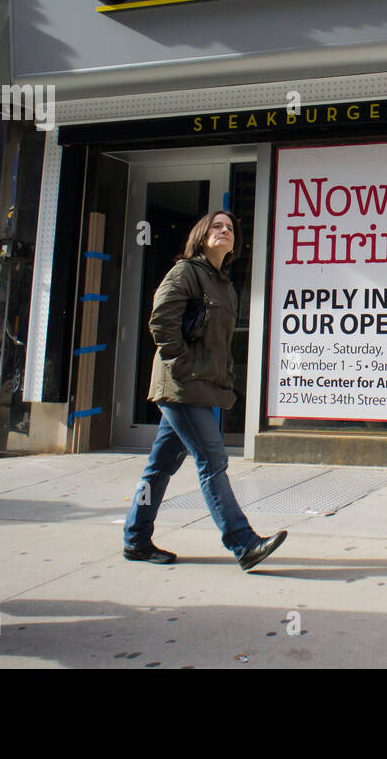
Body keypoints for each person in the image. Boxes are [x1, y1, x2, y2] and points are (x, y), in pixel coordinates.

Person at [123, 210, 286, 571]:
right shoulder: (185, 272)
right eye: (217, 226)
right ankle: (244, 543)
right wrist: (184, 368)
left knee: (159, 468)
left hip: (201, 387)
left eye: (230, 227)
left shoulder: (223, 284)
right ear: (201, 234)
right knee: (213, 462)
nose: (225, 230)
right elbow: (161, 322)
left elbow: (220, 342)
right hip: (182, 388)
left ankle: (135, 539)